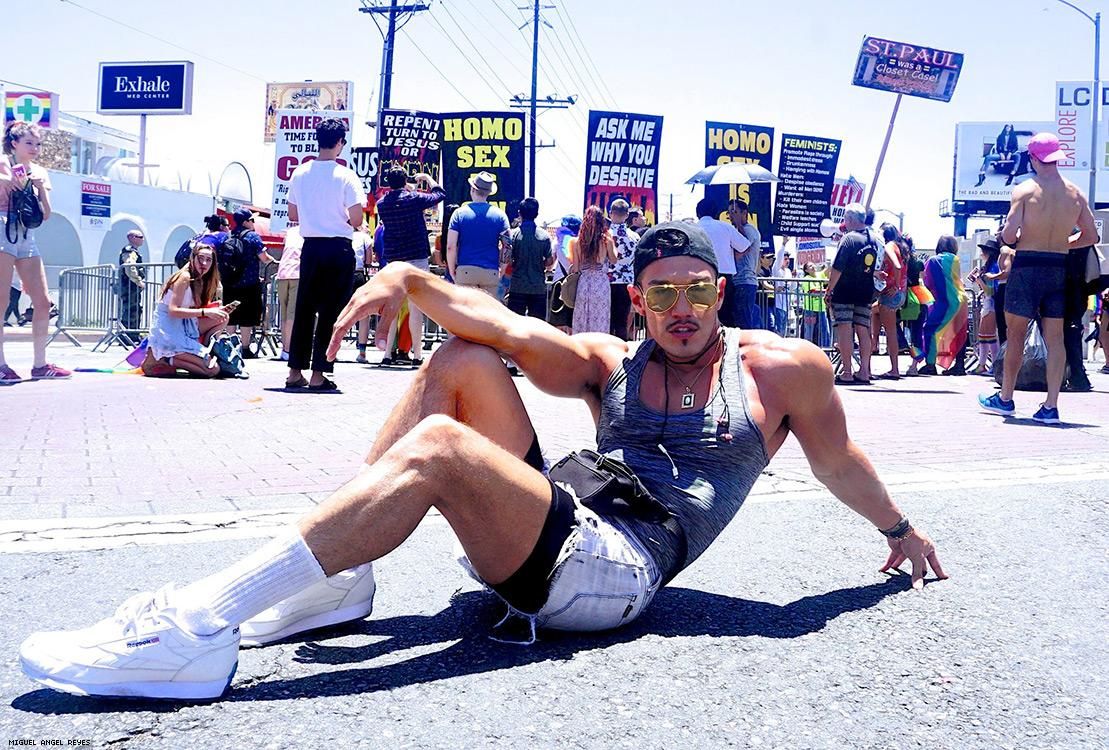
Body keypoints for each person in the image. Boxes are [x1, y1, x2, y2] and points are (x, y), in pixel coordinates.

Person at [17, 221, 946, 700]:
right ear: (635, 298)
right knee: (458, 360)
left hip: (618, 575)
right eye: (660, 292)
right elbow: (500, 326)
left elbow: (838, 462)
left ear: (720, 290)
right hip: (562, 520)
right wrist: (409, 280)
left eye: (696, 290)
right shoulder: (609, 362)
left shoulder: (781, 370)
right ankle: (342, 582)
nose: (680, 309)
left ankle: (191, 630)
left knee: (441, 449)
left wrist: (897, 532)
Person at [978, 133, 1100, 423]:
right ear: (1056, 158)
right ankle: (1051, 406)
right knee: (1055, 338)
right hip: (1058, 267)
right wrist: (1062, 242)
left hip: (1027, 267)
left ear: (1033, 159)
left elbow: (1008, 235)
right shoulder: (1075, 193)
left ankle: (1006, 399)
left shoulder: (1024, 190)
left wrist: (1020, 238)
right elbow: (1092, 236)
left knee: (1017, 334)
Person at [284, 119, 366, 390]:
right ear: (340, 142)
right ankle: (320, 373)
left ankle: (295, 371)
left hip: (310, 247)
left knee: (304, 309)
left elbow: (293, 214)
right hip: (338, 247)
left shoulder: (300, 172)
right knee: (330, 312)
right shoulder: (346, 175)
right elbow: (356, 219)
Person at [0, 122, 70, 384]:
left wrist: (38, 187)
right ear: (14, 143)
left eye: (38, 143)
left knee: (42, 302)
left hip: (26, 233)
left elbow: (46, 213)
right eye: (29, 142)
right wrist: (10, 183)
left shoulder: (40, 171)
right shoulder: (3, 163)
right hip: (3, 226)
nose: (35, 148)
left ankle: (40, 364)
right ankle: (1, 364)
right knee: (2, 299)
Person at [376, 167, 445, 365]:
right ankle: (417, 355)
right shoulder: (413, 199)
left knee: (392, 307)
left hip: (394, 259)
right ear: (405, 180)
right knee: (416, 308)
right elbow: (439, 194)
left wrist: (407, 187)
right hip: (416, 257)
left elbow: (397, 198)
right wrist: (427, 178)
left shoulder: (382, 204)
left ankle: (387, 354)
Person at [141, 243, 231, 378]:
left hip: (186, 324)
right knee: (212, 370)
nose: (204, 263)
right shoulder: (184, 277)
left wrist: (215, 310)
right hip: (169, 329)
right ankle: (166, 358)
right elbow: (173, 310)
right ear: (192, 258)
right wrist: (206, 312)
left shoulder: (202, 279)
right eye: (201, 258)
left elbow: (195, 307)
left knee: (223, 317)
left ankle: (205, 352)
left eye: (209, 260)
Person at [824, 203, 879, 384]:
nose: (844, 222)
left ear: (850, 219)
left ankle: (847, 372)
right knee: (863, 330)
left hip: (845, 291)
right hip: (865, 291)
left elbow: (838, 267)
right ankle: (864, 370)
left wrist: (829, 289)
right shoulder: (873, 239)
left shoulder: (848, 239)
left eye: (845, 219)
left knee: (845, 329)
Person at [447, 171, 511, 297]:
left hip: (465, 270)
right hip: (490, 271)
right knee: (488, 314)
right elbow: (507, 245)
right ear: (489, 192)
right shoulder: (500, 215)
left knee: (465, 314)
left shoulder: (459, 214)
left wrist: (452, 270)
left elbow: (451, 246)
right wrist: (502, 269)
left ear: (472, 189)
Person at [695, 198, 751, 329]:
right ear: (716, 213)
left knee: (701, 315)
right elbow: (745, 246)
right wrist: (732, 258)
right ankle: (726, 346)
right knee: (726, 316)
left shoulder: (692, 228)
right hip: (724, 277)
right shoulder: (725, 227)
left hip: (698, 277)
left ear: (697, 213)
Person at [227, 210, 275, 358]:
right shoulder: (252, 237)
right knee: (247, 317)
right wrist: (274, 261)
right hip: (249, 282)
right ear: (245, 222)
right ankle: (245, 348)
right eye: (252, 220)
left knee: (232, 315)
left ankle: (230, 345)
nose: (253, 223)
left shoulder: (229, 236)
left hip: (230, 281)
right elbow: (264, 257)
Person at [919, 237, 969, 377]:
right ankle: (959, 365)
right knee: (959, 331)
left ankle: (930, 364)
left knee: (930, 330)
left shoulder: (933, 261)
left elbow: (928, 282)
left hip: (944, 301)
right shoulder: (955, 259)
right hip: (961, 299)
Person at [570, 206, 616, 335]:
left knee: (582, 317)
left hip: (584, 283)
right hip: (601, 284)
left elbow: (576, 268)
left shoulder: (578, 242)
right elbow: (614, 260)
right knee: (600, 320)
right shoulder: (606, 240)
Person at [506, 197, 554, 321]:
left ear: (519, 213)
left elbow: (508, 260)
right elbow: (549, 262)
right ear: (537, 214)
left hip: (517, 286)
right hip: (538, 287)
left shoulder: (513, 235)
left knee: (514, 324)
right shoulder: (544, 236)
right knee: (537, 326)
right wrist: (540, 264)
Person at [872, 224, 907, 379]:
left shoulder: (889, 246)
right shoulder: (901, 247)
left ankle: (894, 369)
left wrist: (897, 285)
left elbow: (897, 266)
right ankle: (874, 345)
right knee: (875, 314)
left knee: (891, 333)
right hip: (898, 294)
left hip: (891, 293)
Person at [726, 199, 761, 329]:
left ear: (744, 213)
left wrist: (739, 224)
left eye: (734, 212)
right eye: (729, 212)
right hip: (737, 281)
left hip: (745, 281)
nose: (731, 216)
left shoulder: (750, 230)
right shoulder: (735, 231)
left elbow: (742, 249)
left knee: (743, 321)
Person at [607, 199, 640, 339]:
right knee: (622, 320)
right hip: (626, 282)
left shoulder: (604, 236)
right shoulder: (635, 237)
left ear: (610, 213)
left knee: (607, 320)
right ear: (627, 215)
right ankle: (621, 350)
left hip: (606, 281)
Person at [970, 237, 1002, 376]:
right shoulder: (990, 266)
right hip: (989, 303)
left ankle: (992, 365)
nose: (981, 254)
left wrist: (979, 280)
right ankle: (983, 365)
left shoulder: (993, 267)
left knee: (988, 335)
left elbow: (990, 290)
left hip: (991, 303)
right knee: (984, 335)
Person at [547, 215, 580, 333]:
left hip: (559, 281)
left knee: (558, 318)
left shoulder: (557, 241)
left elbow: (551, 263)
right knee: (571, 319)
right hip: (575, 282)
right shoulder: (579, 242)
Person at [275, 223, 303, 362]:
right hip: (297, 273)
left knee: (284, 315)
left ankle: (284, 349)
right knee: (292, 315)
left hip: (282, 273)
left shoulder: (290, 231)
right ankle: (288, 349)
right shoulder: (309, 230)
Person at [351, 222, 375, 364]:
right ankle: (362, 352)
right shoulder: (364, 237)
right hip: (358, 274)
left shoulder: (343, 234)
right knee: (363, 314)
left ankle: (332, 350)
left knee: (338, 312)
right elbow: (368, 260)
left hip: (342, 274)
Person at [117, 229, 146, 331]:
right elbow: (130, 267)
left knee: (133, 309)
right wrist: (138, 281)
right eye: (140, 237)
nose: (143, 239)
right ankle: (130, 335)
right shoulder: (130, 250)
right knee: (131, 310)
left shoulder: (133, 250)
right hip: (130, 285)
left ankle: (131, 334)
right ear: (132, 238)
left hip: (131, 285)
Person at [799, 262, 829, 347]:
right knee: (809, 334)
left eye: (813, 265)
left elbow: (829, 269)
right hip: (810, 310)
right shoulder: (806, 279)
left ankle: (825, 354)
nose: (813, 267)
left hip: (821, 309)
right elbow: (813, 291)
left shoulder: (820, 275)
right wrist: (826, 291)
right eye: (810, 266)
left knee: (824, 333)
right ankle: (808, 352)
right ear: (806, 270)